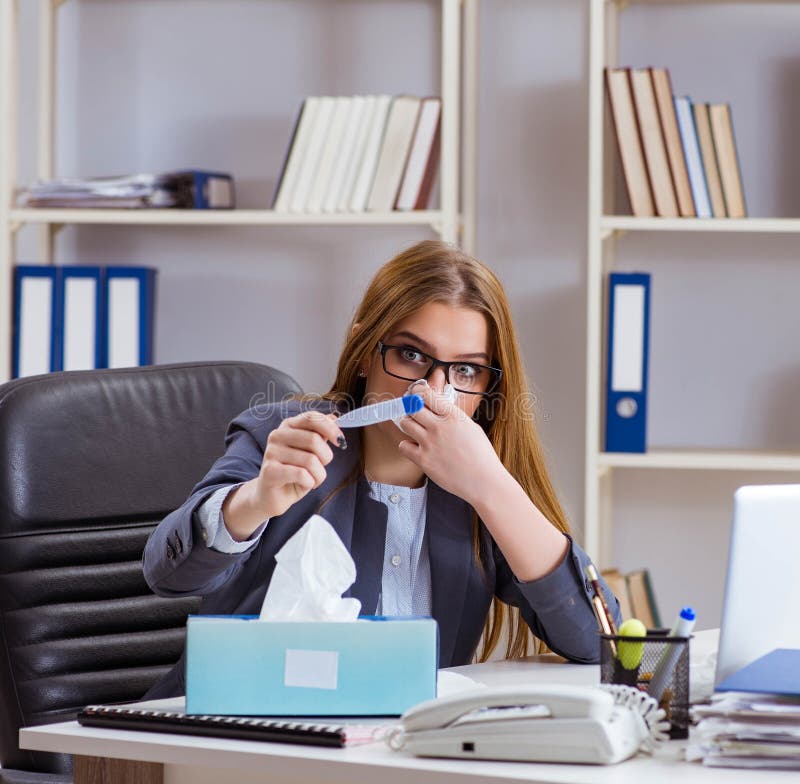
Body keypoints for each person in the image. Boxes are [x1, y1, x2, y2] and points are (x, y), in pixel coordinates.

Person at [142, 240, 620, 699]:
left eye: (466, 370)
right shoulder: (283, 437)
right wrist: (255, 500)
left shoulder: (480, 483)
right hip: (243, 740)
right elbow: (167, 573)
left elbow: (598, 642)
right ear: (366, 351)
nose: (435, 392)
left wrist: (493, 488)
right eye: (412, 355)